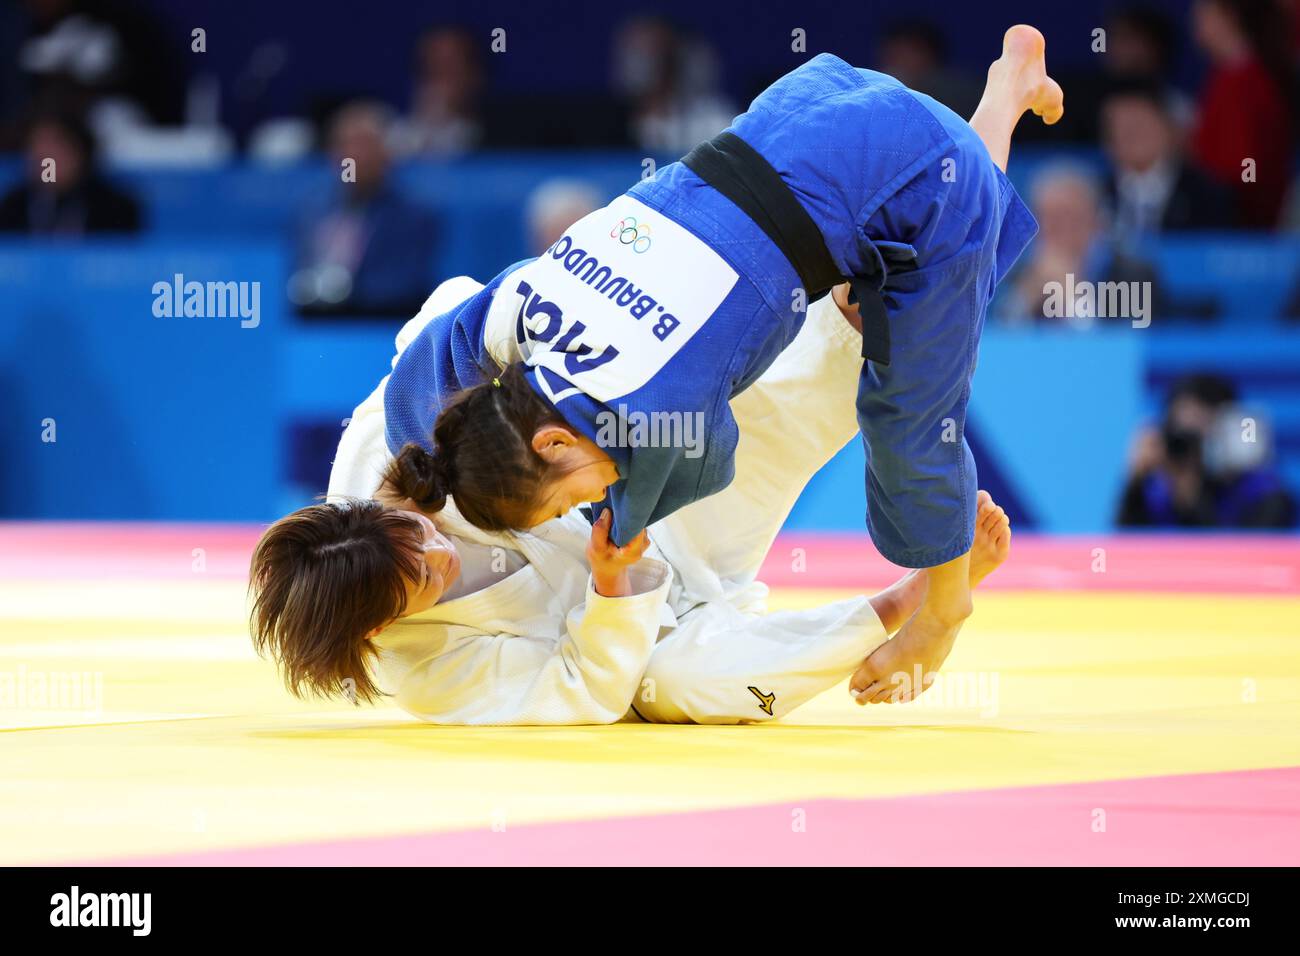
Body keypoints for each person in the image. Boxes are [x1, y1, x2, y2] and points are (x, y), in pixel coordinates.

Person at [374, 26, 1059, 702]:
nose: (585, 505)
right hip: (799, 113)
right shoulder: (531, 304)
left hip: (889, 170)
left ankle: (943, 611)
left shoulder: (655, 405)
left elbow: (715, 459)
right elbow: (440, 341)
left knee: (909, 424)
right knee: (916, 261)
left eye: (570, 499)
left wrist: (625, 519)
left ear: (552, 442)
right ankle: (1006, 91)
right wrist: (412, 458)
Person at [250, 279, 1013, 724]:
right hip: (649, 614)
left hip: (620, 479)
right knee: (679, 689)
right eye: (421, 579)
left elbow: (451, 313)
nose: (438, 552)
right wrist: (615, 592)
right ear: (384, 624)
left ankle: (852, 289)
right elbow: (585, 694)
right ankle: (906, 602)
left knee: (794, 397)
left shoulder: (386, 448)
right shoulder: (431, 680)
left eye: (414, 535)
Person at [289, 101, 439, 317]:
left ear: (387, 153)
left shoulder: (414, 217)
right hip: (310, 327)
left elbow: (406, 285)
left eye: (364, 144)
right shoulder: (311, 212)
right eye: (345, 145)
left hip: (372, 328)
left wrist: (344, 291)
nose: (354, 156)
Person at [1101, 79, 1236, 238]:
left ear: (1169, 129)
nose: (1133, 135)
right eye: (1123, 128)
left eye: (1140, 124)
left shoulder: (1209, 197)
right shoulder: (1096, 196)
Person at [0, 109, 140, 235]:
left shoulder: (116, 209)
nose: (43, 154)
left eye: (55, 145)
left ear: (80, 152)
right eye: (35, 146)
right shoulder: (13, 207)